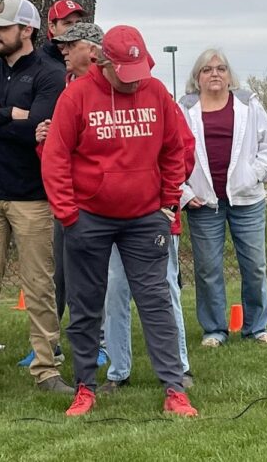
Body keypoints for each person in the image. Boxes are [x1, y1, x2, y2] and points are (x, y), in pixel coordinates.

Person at [42, 25, 198, 417]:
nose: (133, 83)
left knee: (157, 302)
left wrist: (167, 204)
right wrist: (68, 214)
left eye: (139, 72)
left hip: (146, 217)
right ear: (102, 62)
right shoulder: (76, 96)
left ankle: (174, 389)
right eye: (125, 75)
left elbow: (174, 150)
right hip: (89, 218)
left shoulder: (157, 92)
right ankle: (85, 387)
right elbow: (57, 157)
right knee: (86, 305)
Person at [0, 0, 73, 405]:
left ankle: (46, 368)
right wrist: (13, 115)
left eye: (3, 28)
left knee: (39, 286)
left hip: (31, 197)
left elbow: (39, 129)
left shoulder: (50, 73)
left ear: (26, 31)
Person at [179, 49, 267, 348]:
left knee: (254, 265)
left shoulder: (248, 104)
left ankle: (256, 327)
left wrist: (254, 173)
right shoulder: (184, 109)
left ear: (229, 75)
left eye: (221, 68)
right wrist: (184, 192)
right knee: (208, 268)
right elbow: (171, 152)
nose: (215, 73)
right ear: (197, 77)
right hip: (203, 203)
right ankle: (214, 330)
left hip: (247, 201)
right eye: (207, 69)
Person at [22, 22, 107, 369]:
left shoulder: (110, 87)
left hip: (102, 201)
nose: (64, 51)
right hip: (67, 200)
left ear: (93, 50)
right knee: (58, 274)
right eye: (62, 45)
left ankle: (101, 342)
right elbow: (58, 151)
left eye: (71, 45)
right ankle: (51, 346)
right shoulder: (65, 86)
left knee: (96, 276)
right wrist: (45, 138)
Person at [102, 106, 196, 391]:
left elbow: (184, 154)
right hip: (114, 217)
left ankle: (179, 369)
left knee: (166, 289)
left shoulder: (160, 100)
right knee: (115, 290)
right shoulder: (102, 104)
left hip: (156, 216)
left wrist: (152, 186)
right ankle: (118, 372)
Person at [39, 0, 86, 65]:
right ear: (52, 28)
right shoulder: (39, 63)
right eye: (68, 23)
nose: (75, 28)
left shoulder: (90, 58)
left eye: (78, 23)